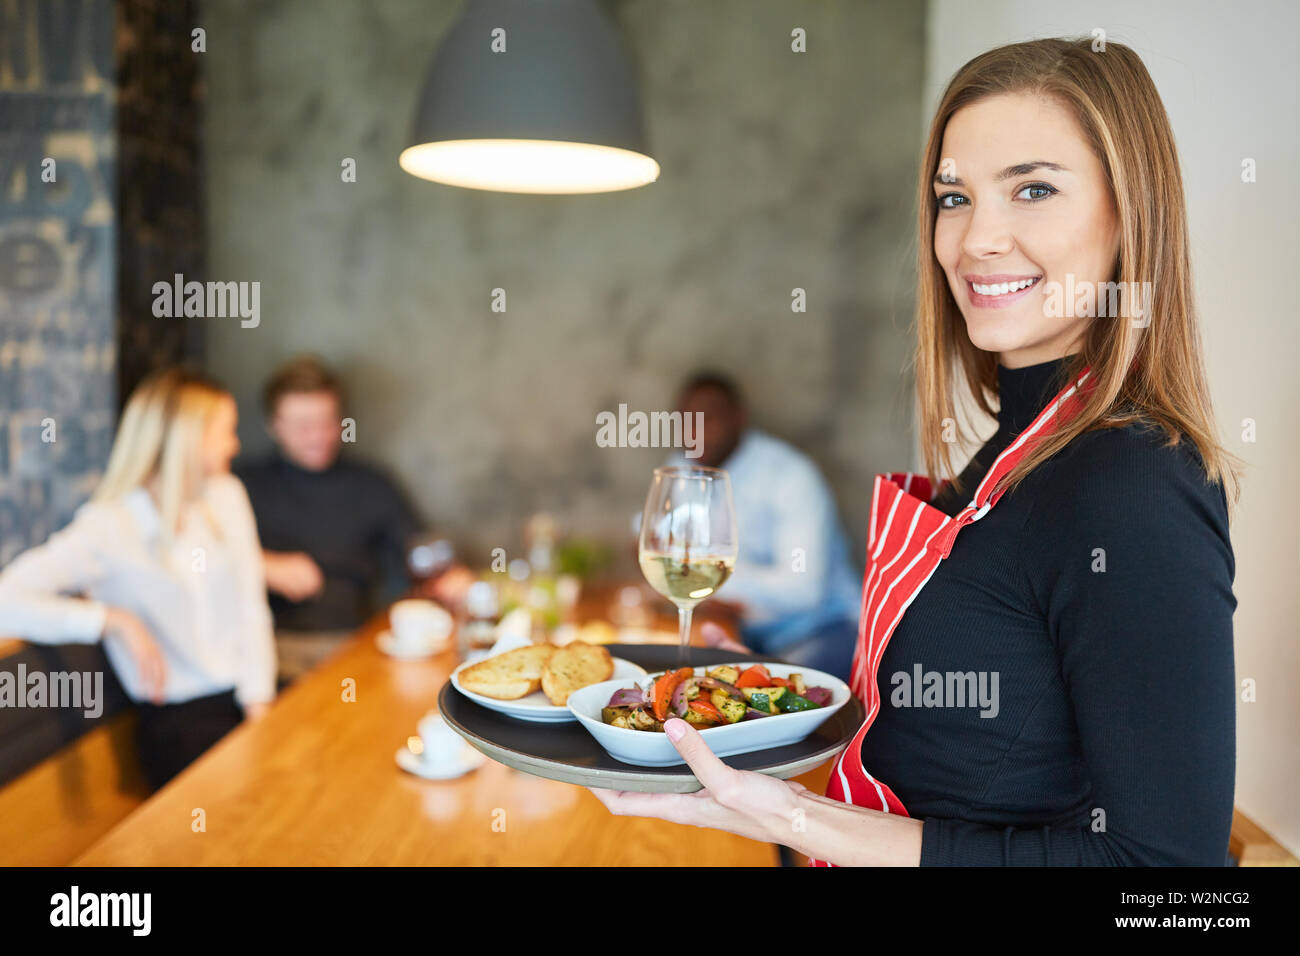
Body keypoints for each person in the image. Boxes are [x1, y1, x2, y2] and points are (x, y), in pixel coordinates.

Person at [592, 37, 1239, 867]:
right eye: (955, 196)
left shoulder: (1132, 484)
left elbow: (1170, 879)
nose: (976, 240)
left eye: (1033, 189)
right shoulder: (1010, 458)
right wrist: (749, 708)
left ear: (1130, 212)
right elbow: (949, 758)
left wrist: (799, 822)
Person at [0, 368, 277, 791]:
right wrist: (110, 619)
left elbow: (251, 607)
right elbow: (6, 600)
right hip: (179, 726)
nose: (235, 445)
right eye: (227, 432)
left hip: (246, 700)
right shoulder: (109, 528)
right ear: (187, 440)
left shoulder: (226, 496)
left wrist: (261, 708)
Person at [234, 355, 471, 683]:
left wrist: (448, 575)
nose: (319, 436)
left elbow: (417, 546)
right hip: (269, 646)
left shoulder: (371, 482)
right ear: (274, 425)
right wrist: (263, 564)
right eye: (303, 426)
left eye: (328, 422)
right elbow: (191, 555)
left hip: (353, 643)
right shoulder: (242, 484)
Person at [664, 372, 861, 680]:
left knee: (760, 704)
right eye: (685, 421)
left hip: (822, 631)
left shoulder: (791, 476)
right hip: (748, 631)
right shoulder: (684, 467)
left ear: (740, 419)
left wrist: (709, 578)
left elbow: (803, 589)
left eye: (708, 419)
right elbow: (669, 542)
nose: (694, 433)